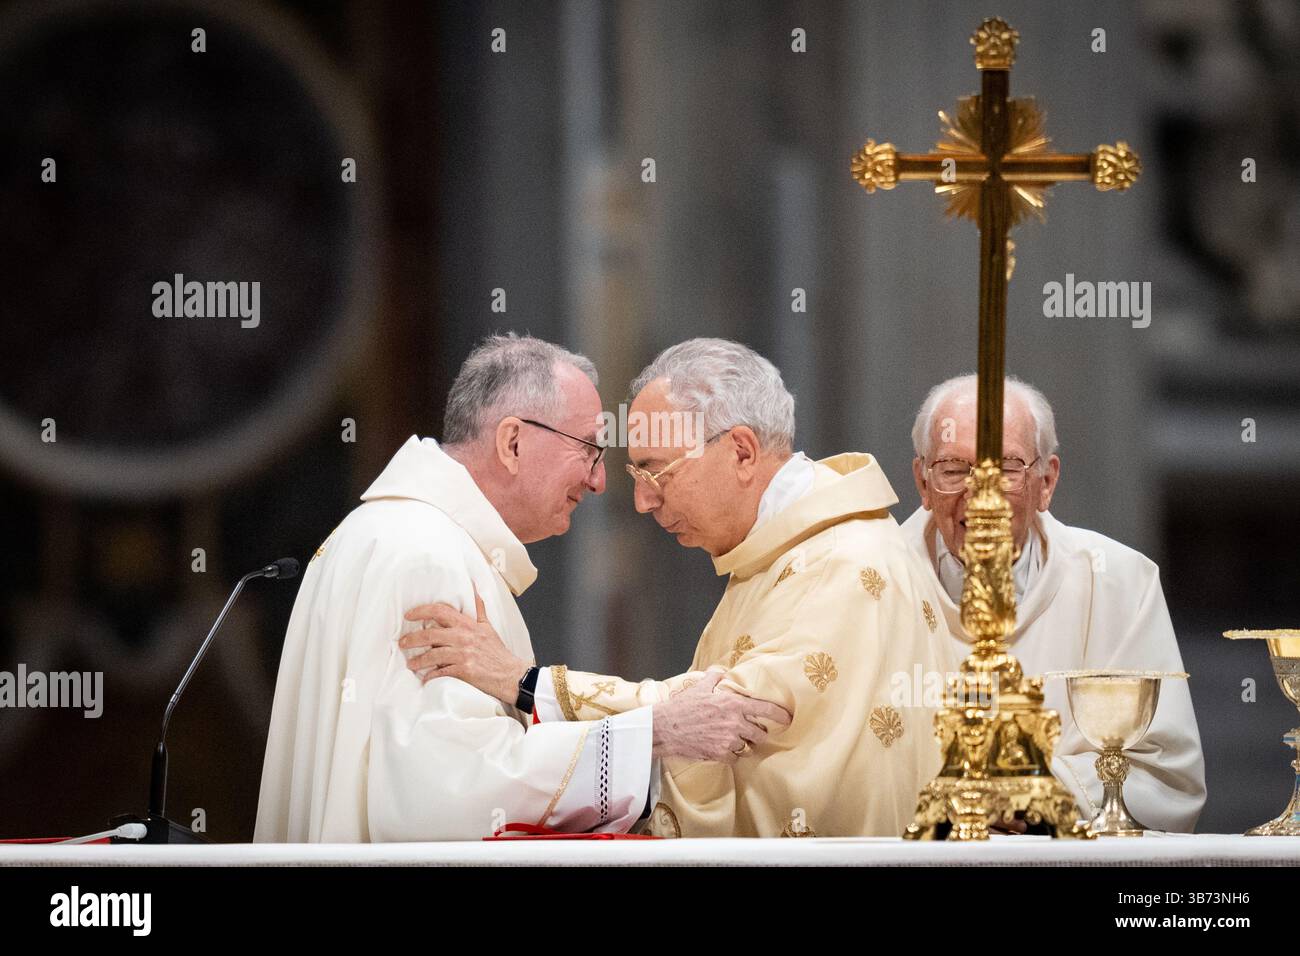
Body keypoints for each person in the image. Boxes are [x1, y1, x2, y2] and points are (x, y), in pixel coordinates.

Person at [401, 338, 953, 838]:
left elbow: (726, 721)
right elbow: (697, 717)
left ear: (740, 450)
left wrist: (526, 683)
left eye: (655, 473)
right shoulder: (786, 554)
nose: (642, 502)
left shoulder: (844, 564)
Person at [254, 333, 787, 842]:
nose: (600, 482)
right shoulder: (426, 557)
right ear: (513, 442)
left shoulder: (391, 534)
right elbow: (441, 793)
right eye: (591, 449)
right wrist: (647, 737)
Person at [900, 373, 1206, 832]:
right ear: (923, 482)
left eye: (1005, 468)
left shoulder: (1118, 583)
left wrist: (1037, 794)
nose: (980, 495)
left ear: (1046, 481)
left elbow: (1166, 774)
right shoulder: (876, 582)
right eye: (954, 469)